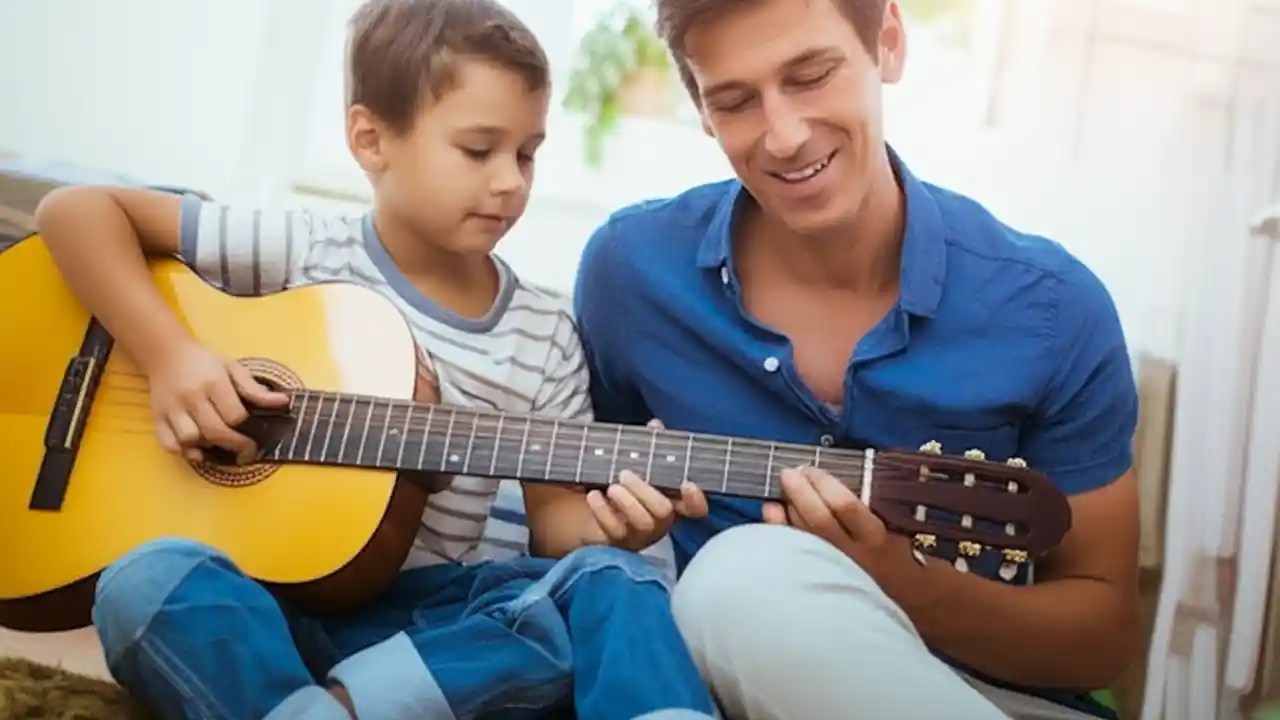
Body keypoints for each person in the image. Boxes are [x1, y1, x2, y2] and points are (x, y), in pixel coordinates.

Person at [33, 1, 716, 718]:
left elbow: (555, 526)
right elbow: (74, 213)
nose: (512, 182)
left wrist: (615, 523)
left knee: (611, 581)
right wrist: (171, 357)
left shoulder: (542, 332)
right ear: (370, 139)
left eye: (527, 153)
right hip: (275, 602)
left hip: (446, 625)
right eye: (479, 150)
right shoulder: (307, 248)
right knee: (144, 581)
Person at [573, 0, 1142, 718]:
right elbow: (575, 515)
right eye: (736, 101)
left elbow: (1101, 639)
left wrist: (906, 584)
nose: (783, 136)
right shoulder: (630, 275)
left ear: (890, 45)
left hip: (996, 698)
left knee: (737, 573)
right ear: (704, 113)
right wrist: (613, 528)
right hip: (739, 679)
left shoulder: (1055, 307)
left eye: (810, 75)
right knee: (732, 584)